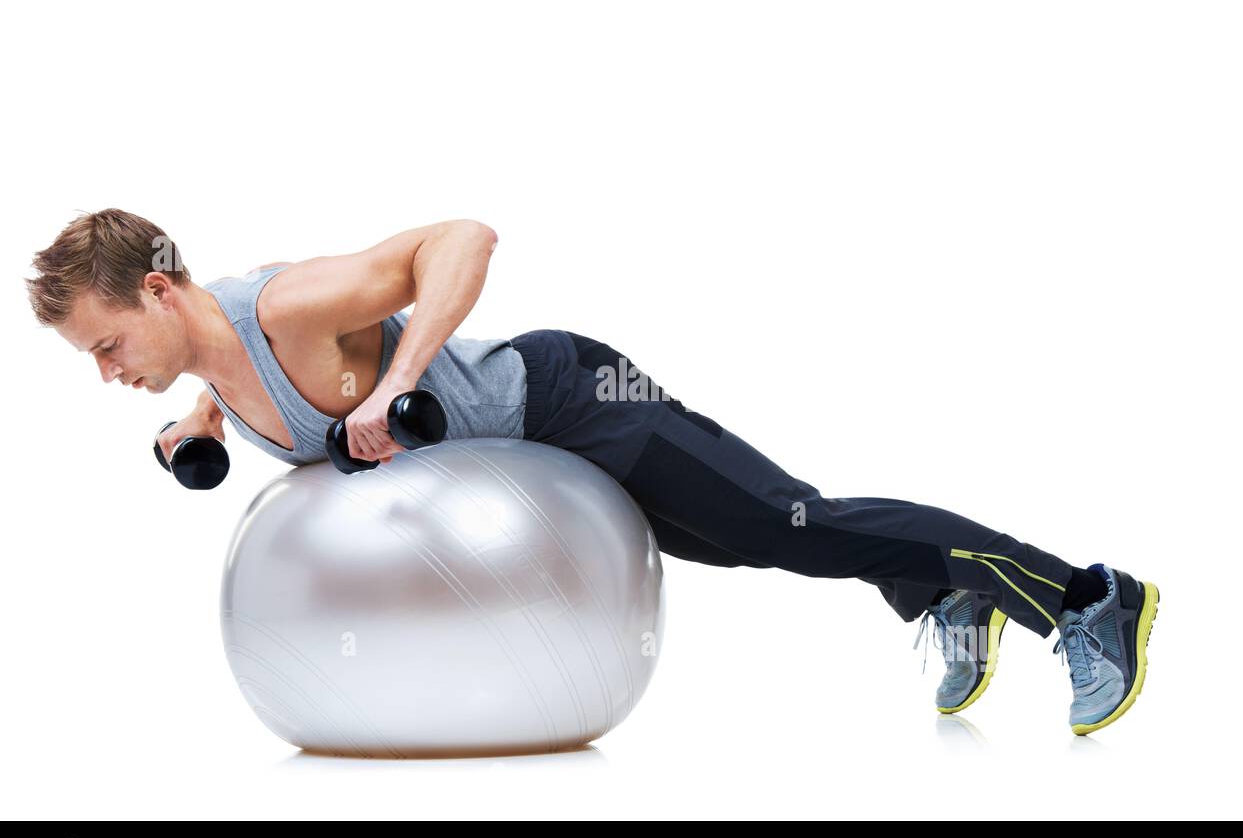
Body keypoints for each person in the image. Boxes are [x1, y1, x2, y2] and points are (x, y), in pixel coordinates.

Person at [25, 208, 1160, 735]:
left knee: (792, 522)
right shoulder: (213, 359)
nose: (108, 371)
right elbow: (234, 374)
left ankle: (1085, 600)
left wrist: (394, 380)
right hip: (534, 470)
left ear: (159, 294)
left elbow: (460, 238)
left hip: (578, 404)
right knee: (751, 545)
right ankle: (938, 589)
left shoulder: (286, 304)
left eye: (110, 346)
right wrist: (199, 421)